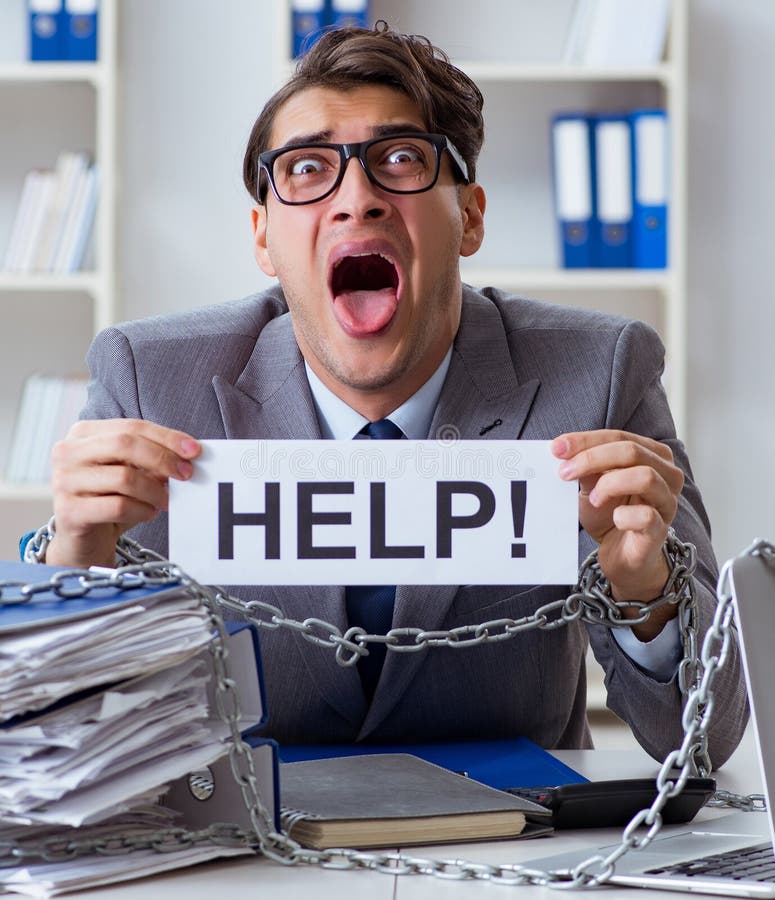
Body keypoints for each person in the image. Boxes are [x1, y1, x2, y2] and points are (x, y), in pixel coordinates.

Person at [34, 23, 746, 765]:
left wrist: (647, 591)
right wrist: (75, 558)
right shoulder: (150, 381)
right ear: (263, 238)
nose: (356, 198)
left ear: (468, 217)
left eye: (399, 159)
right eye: (307, 169)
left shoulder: (599, 370)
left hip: (510, 857)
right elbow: (56, 748)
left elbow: (706, 740)